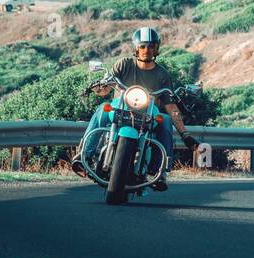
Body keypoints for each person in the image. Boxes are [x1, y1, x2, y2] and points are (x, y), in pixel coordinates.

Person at [72, 27, 199, 192]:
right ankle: (84, 156)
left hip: (148, 112)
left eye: (151, 46)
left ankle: (158, 172)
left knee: (166, 120)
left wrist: (185, 134)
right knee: (103, 108)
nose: (147, 50)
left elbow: (171, 105)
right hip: (121, 106)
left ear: (157, 48)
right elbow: (106, 88)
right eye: (143, 46)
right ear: (136, 47)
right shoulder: (124, 64)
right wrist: (97, 87)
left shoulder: (162, 74)